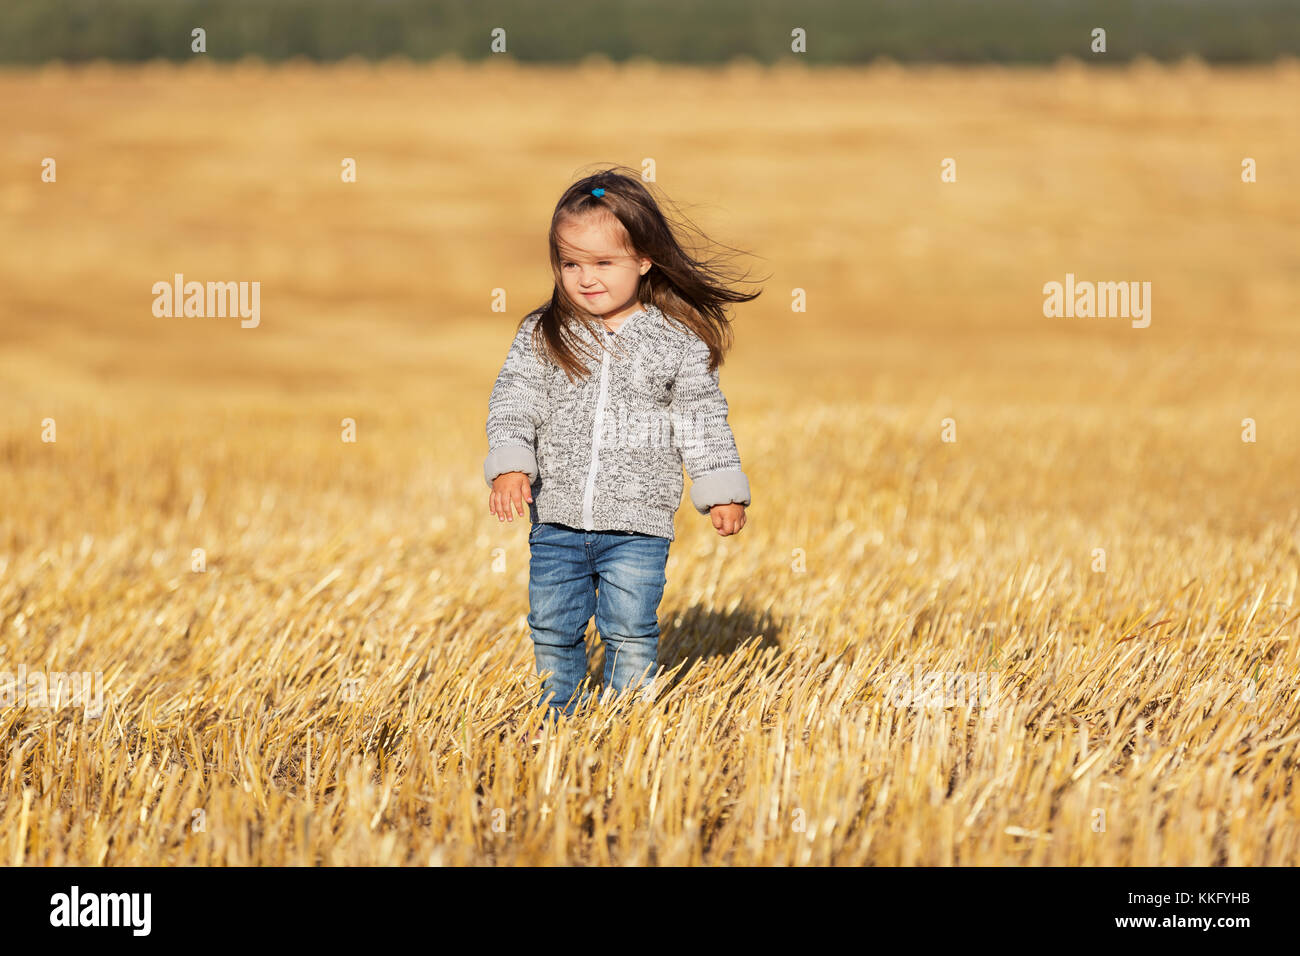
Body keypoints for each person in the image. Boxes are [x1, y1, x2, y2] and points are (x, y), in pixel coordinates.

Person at [483, 166, 763, 744]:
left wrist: (720, 488)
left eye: (603, 263)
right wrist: (511, 463)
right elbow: (513, 401)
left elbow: (702, 420)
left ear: (644, 260)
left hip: (639, 526)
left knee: (630, 630)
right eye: (570, 263)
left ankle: (624, 724)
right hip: (557, 520)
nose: (585, 278)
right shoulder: (545, 332)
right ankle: (554, 718)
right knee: (552, 627)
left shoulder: (675, 343)